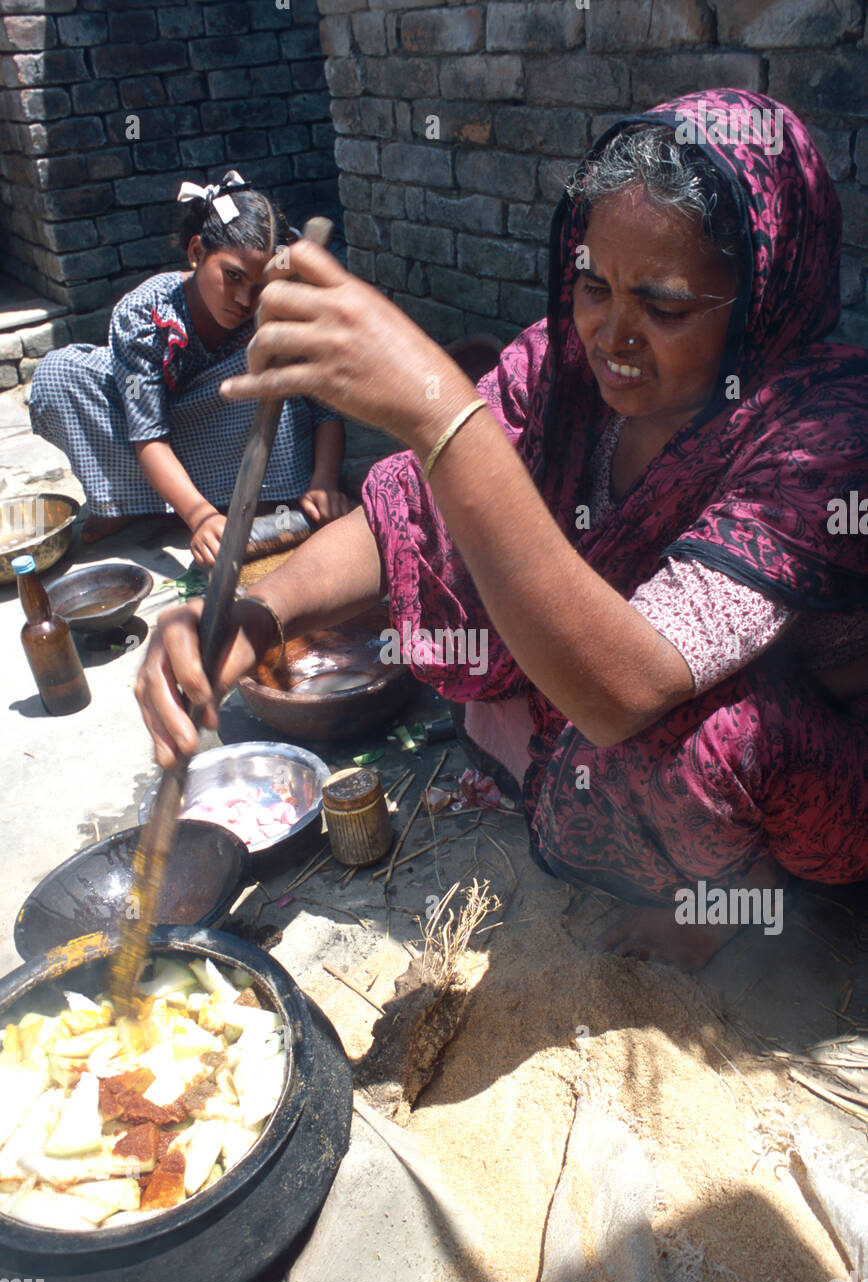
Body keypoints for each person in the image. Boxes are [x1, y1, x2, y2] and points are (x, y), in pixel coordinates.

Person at [135, 92, 868, 969]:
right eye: (594, 286)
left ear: (760, 301)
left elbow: (628, 687)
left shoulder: (821, 430)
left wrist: (440, 413)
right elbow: (411, 515)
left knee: (711, 739)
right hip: (607, 694)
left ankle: (735, 894)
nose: (612, 335)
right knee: (482, 633)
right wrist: (259, 614)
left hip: (810, 767)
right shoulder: (560, 363)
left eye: (665, 308)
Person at [30, 170, 349, 567]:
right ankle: (130, 499)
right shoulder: (145, 313)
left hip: (221, 425)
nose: (245, 299)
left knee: (265, 377)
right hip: (149, 436)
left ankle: (173, 500)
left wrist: (324, 482)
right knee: (57, 375)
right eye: (232, 277)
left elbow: (325, 406)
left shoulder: (276, 307)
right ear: (197, 252)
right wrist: (200, 517)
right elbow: (147, 435)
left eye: (259, 283)